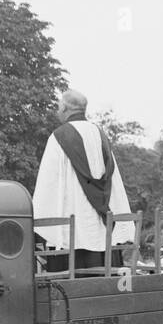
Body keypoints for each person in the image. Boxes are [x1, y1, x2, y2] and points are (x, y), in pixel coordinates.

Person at [32, 89, 135, 269]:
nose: (57, 111)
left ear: (64, 108)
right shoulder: (100, 134)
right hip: (104, 225)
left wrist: (37, 216)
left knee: (73, 235)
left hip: (71, 231)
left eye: (58, 107)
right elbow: (114, 179)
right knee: (98, 238)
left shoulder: (59, 136)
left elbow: (48, 184)